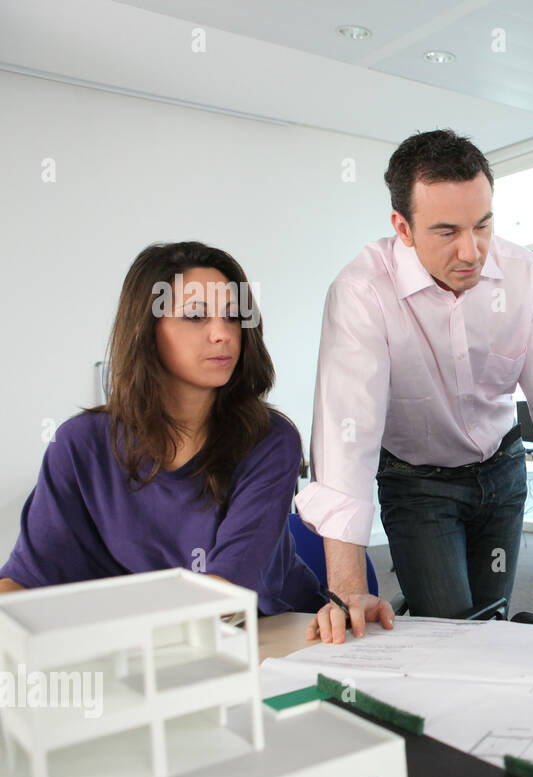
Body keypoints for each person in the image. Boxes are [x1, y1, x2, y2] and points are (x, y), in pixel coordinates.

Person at [295, 129, 533, 643]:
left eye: (483, 224)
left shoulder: (526, 278)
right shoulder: (363, 293)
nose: (471, 251)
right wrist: (345, 589)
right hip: (417, 482)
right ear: (402, 227)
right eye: (447, 231)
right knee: (447, 631)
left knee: (490, 619)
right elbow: (347, 443)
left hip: (501, 469)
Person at [0, 242, 326, 615]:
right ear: (146, 329)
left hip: (276, 639)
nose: (222, 334)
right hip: (145, 646)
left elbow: (225, 597)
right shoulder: (80, 444)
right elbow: (24, 581)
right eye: (195, 317)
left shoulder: (269, 439)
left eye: (233, 316)